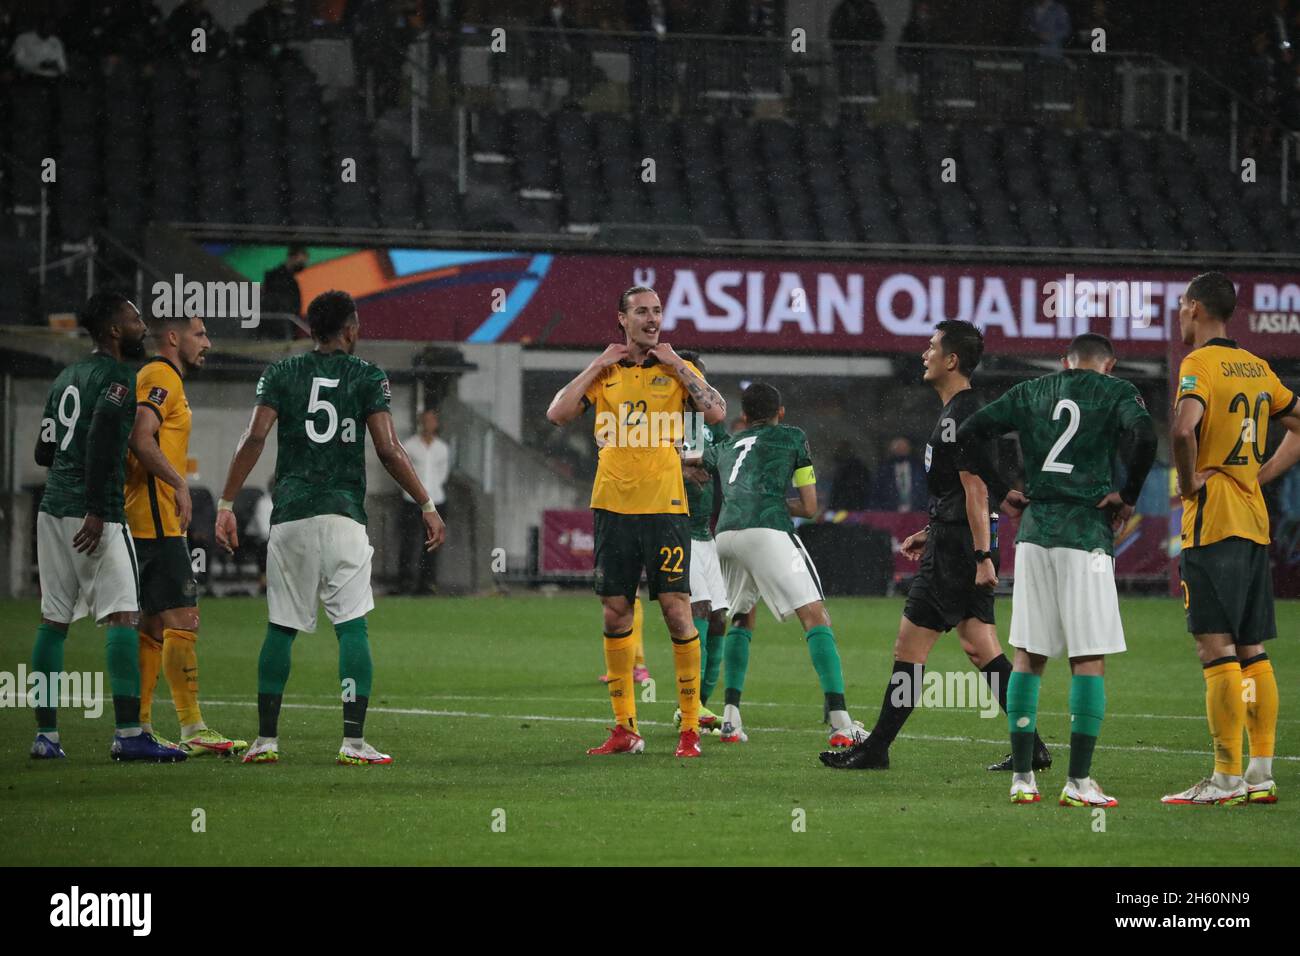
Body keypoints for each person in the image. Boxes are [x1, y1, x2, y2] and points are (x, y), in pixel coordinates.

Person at [215, 290, 446, 765]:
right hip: (343, 515)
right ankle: (353, 742)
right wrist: (425, 501)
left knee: (280, 627)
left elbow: (254, 436)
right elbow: (388, 449)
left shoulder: (281, 372)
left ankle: (265, 741)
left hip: (292, 515)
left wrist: (226, 502)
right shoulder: (367, 375)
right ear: (350, 328)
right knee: (352, 626)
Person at [821, 320, 1049, 774]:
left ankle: (877, 747)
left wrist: (981, 556)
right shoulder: (960, 412)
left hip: (959, 552)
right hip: (956, 540)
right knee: (980, 647)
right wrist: (937, 529)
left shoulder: (961, 415)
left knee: (910, 649)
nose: (924, 354)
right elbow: (968, 489)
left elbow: (976, 491)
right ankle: (1034, 746)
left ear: (952, 360)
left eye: (931, 347)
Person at [952, 332, 1156, 807]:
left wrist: (1004, 488)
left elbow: (968, 434)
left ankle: (1023, 779)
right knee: (1088, 659)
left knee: (1028, 656)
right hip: (1084, 534)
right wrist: (1127, 497)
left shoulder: (1031, 392)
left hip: (1036, 534)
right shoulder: (1117, 392)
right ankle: (1079, 782)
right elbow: (1145, 435)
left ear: (1065, 361)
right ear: (1110, 365)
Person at [545, 285, 726, 758]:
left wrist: (680, 365)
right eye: (642, 311)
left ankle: (689, 728)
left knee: (675, 609)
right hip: (612, 507)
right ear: (621, 319)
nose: (652, 318)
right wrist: (596, 365)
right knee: (615, 611)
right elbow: (558, 413)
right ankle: (625, 727)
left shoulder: (677, 370)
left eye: (658, 311)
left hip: (665, 507)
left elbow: (717, 411)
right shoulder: (606, 373)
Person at [29, 293, 185, 762]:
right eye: (135, 319)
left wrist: (71, 474)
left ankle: (46, 737)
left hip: (52, 508)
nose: (143, 326)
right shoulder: (120, 378)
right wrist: (97, 505)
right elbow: (99, 440)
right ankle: (129, 734)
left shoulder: (67, 376)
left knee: (53, 621)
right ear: (114, 330)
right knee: (122, 616)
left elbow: (44, 450)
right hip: (94, 513)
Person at [1165, 272, 1298, 805]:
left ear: (1196, 309)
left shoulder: (1199, 364)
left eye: (1181, 305)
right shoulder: (1258, 368)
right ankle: (1260, 773)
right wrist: (1258, 475)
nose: (1179, 314)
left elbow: (1181, 429)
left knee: (1214, 648)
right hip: (1252, 521)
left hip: (1213, 523)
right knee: (1252, 649)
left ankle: (1224, 778)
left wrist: (1192, 479)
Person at [702, 382, 868, 749]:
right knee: (816, 616)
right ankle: (841, 724)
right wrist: (775, 502)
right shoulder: (792, 436)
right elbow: (810, 507)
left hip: (725, 535)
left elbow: (695, 465)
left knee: (742, 615)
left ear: (743, 417)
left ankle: (730, 718)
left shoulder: (727, 444)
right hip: (766, 530)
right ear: (781, 412)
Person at [126, 312, 246, 756]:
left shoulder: (154, 376)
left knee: (153, 622)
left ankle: (136, 729)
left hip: (145, 518)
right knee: (184, 619)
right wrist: (178, 483)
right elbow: (141, 436)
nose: (207, 342)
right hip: (155, 519)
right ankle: (192, 728)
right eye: (200, 334)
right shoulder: (162, 376)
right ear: (173, 338)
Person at [676, 350, 727, 730]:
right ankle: (690, 706)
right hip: (678, 528)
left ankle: (699, 706)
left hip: (706, 533)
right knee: (700, 612)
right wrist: (682, 465)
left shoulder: (705, 421)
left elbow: (720, 456)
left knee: (721, 617)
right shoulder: (666, 417)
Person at [400, 408, 450, 594]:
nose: (428, 424)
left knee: (431, 543)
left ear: (436, 424)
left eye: (432, 421)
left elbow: (443, 474)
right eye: (425, 421)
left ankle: (427, 584)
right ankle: (405, 583)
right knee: (408, 542)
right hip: (412, 502)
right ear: (420, 423)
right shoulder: (409, 445)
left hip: (436, 499)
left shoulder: (442, 448)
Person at [870, 436, 926, 511]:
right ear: (892, 450)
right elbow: (878, 491)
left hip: (917, 511)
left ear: (909, 449)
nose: (901, 451)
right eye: (898, 448)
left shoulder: (918, 467)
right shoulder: (885, 469)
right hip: (890, 511)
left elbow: (924, 489)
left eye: (904, 448)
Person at [262, 245, 308, 325]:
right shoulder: (276, 278)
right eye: (301, 261)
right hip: (278, 326)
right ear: (293, 257)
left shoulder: (289, 279)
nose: (303, 265)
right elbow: (275, 304)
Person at [827, 440, 870, 511]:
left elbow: (854, 488)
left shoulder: (853, 468)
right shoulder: (848, 467)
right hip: (849, 507)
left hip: (850, 507)